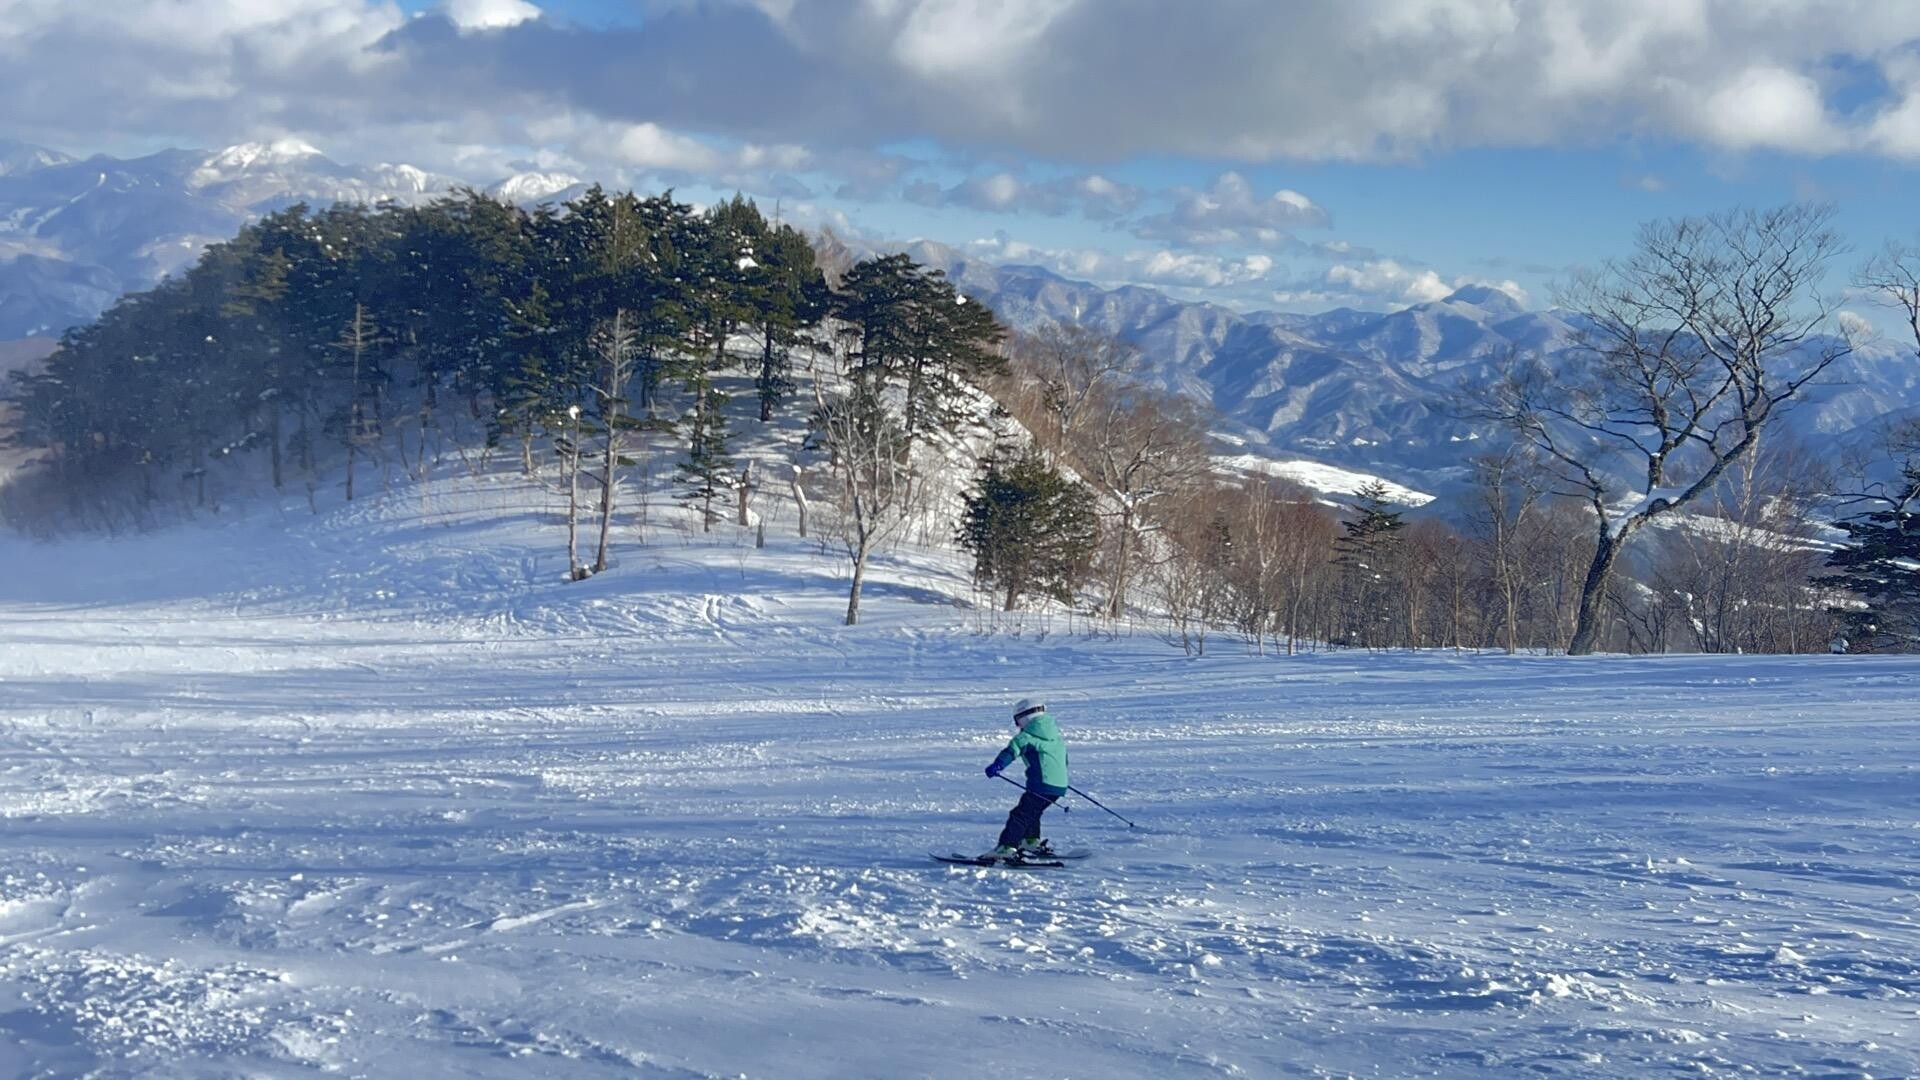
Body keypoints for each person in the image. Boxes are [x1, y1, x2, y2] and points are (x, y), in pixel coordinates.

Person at [980, 697, 1069, 860]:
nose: (1017, 726)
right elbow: (1064, 760)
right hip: (1059, 786)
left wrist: (997, 765)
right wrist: (1058, 779)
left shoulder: (1026, 737)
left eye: (1017, 721)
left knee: (1019, 815)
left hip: (1041, 785)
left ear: (1025, 717)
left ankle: (1006, 847)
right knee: (1032, 812)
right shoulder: (1056, 737)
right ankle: (1030, 840)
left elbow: (1011, 752)